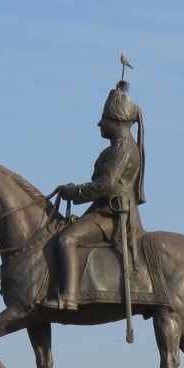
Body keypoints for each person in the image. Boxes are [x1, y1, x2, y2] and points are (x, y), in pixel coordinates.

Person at [50, 78, 145, 310]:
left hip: (115, 217)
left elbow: (106, 186)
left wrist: (74, 192)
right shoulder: (114, 148)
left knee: (66, 239)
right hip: (104, 212)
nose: (99, 124)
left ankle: (70, 296)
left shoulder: (123, 148)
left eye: (105, 119)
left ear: (119, 122)